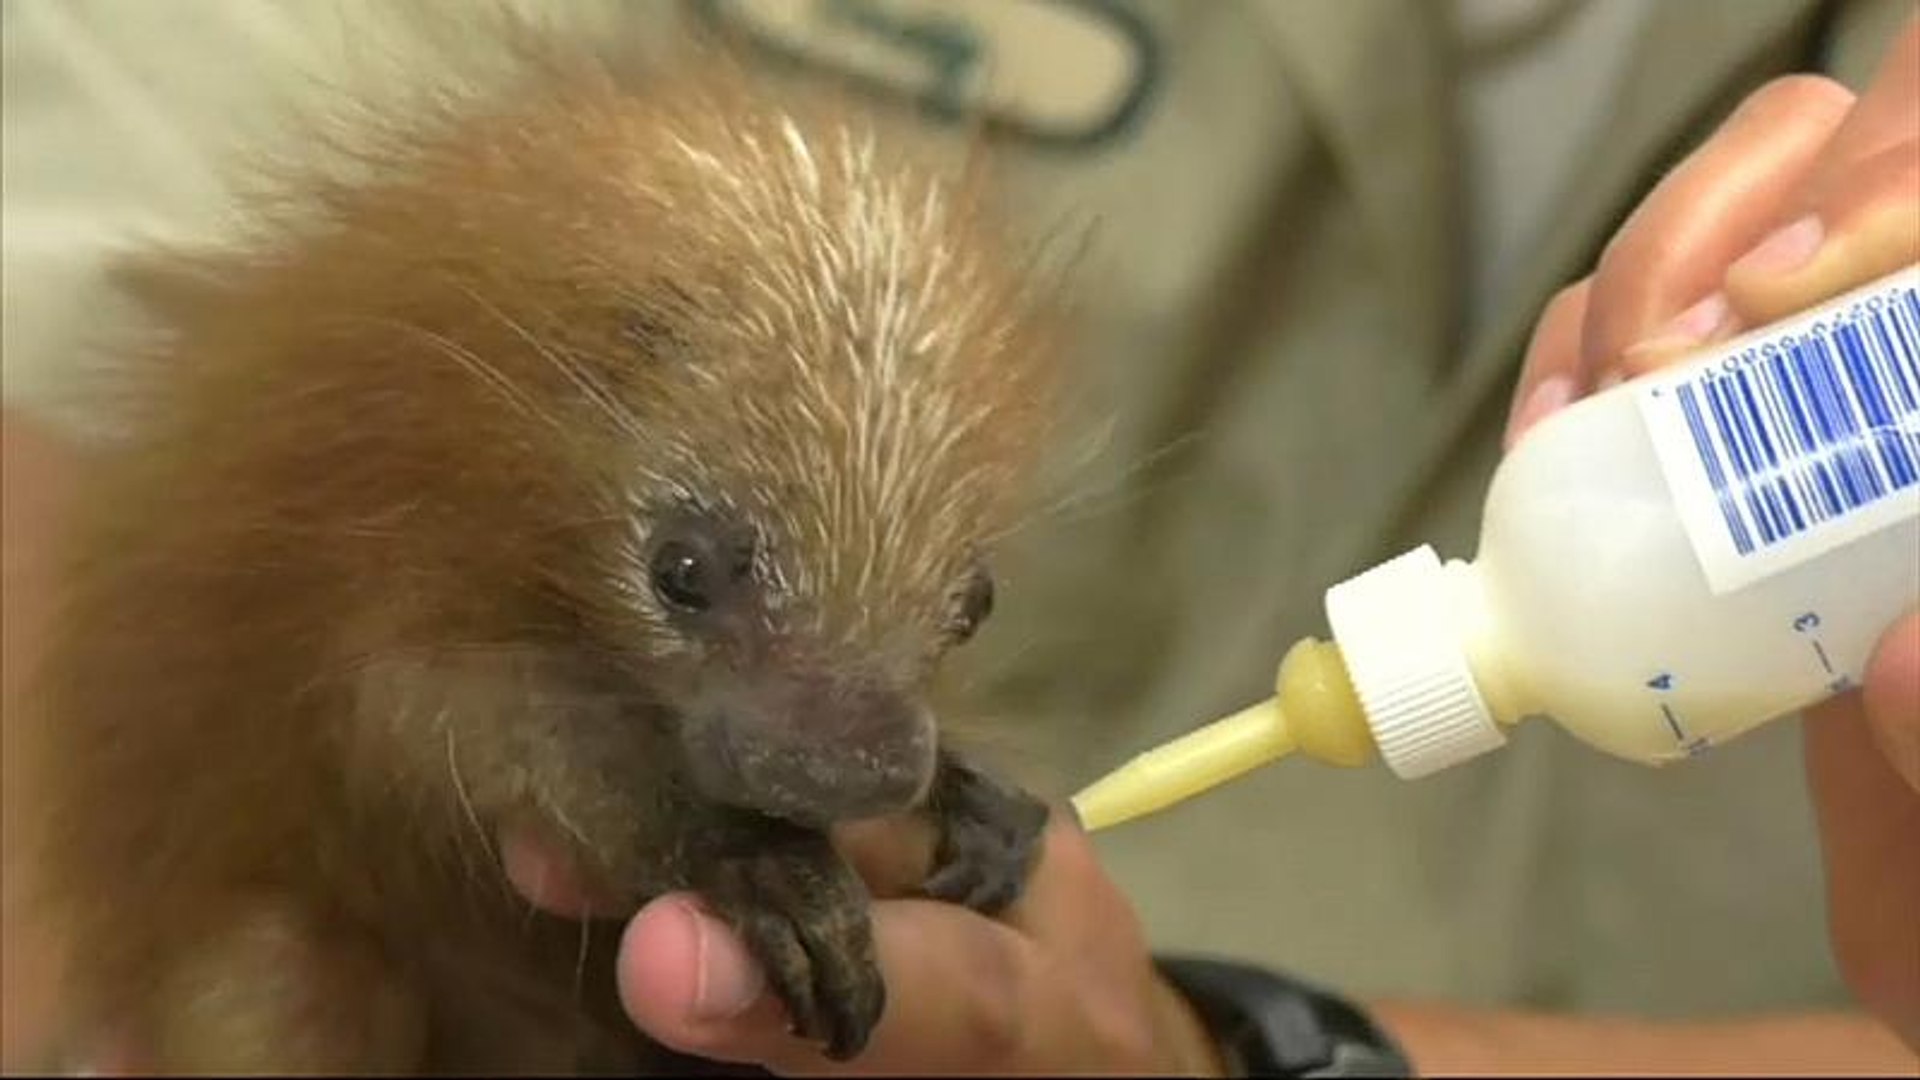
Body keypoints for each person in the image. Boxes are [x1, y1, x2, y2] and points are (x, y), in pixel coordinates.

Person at [2, 1, 1916, 1073]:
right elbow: (227, 604)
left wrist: (1227, 1055)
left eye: (952, 616)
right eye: (702, 579)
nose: (848, 730)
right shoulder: (434, 405)